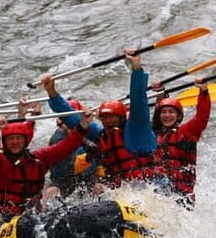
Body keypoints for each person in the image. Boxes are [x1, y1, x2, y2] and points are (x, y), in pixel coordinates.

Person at [46, 50, 158, 190]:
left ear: (122, 118)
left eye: (112, 117)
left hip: (149, 187)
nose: (109, 121)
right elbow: (72, 119)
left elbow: (138, 99)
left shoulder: (139, 128)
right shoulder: (101, 135)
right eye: (105, 118)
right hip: (123, 192)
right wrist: (52, 92)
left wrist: (136, 68)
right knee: (99, 188)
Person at [0, 102, 91, 222]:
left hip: (31, 216)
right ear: (4, 142)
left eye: (18, 138)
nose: (15, 142)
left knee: (54, 196)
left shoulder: (38, 159)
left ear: (25, 141)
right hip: (1, 219)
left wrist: (83, 124)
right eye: (10, 139)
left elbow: (65, 147)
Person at [150, 77, 212, 208]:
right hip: (158, 189)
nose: (167, 115)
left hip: (182, 194)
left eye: (171, 112)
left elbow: (202, 117)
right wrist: (160, 92)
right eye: (164, 112)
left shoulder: (187, 131)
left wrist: (203, 91)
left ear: (179, 116)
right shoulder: (155, 133)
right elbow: (158, 109)